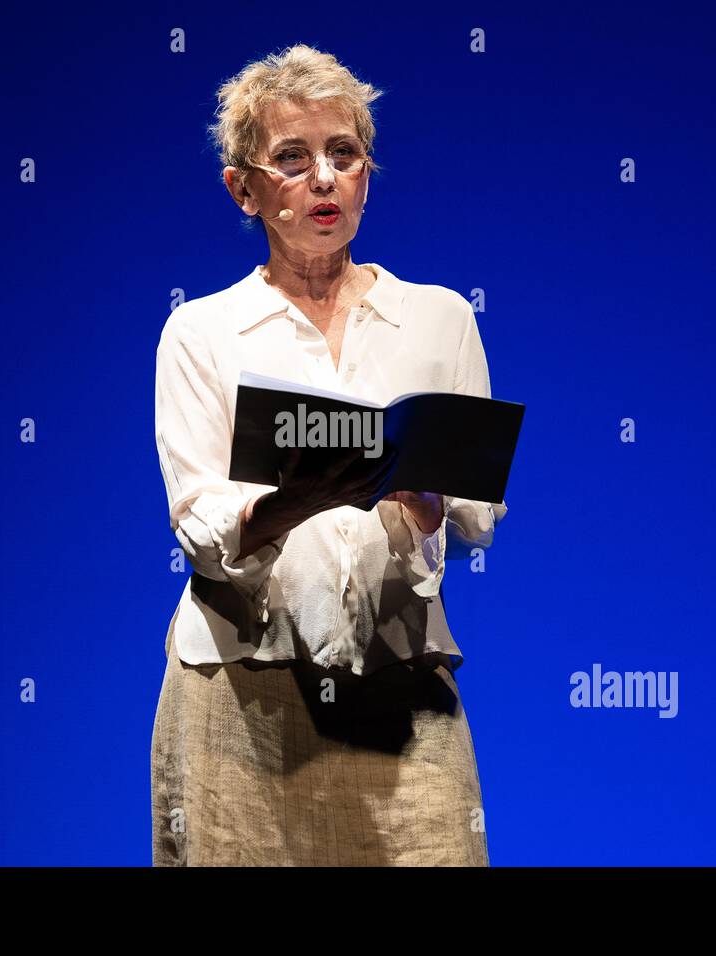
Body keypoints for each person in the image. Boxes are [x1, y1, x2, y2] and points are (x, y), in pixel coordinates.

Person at [151, 43, 509, 866]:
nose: (324, 178)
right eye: (292, 157)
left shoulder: (440, 318)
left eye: (344, 154)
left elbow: (482, 513)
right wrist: (291, 501)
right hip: (240, 697)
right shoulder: (200, 331)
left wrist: (428, 497)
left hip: (402, 687)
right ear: (243, 189)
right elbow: (199, 522)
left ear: (366, 175)